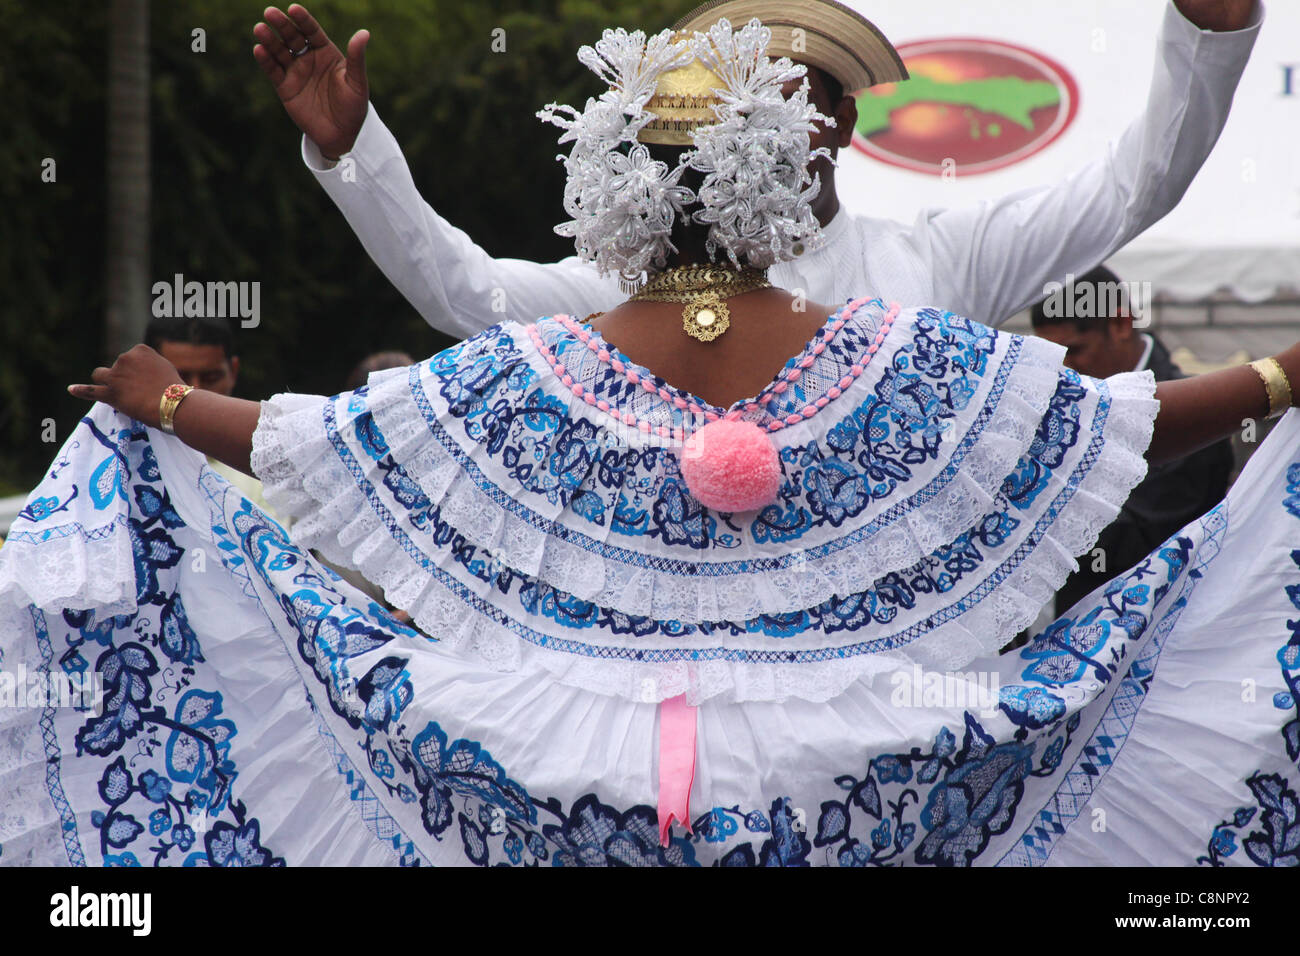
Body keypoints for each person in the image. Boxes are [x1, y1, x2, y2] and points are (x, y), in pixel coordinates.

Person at [2, 18, 1298, 868]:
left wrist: (166, 404)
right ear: (777, 161)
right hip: (863, 766)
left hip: (589, 772)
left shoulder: (592, 347)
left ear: (618, 182)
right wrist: (1279, 374)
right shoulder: (877, 351)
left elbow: (337, 437)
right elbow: (1120, 421)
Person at [252, 0, 1260, 335]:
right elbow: (460, 293)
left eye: (788, 102)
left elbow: (1133, 188)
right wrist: (351, 150)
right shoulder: (629, 284)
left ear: (843, 122)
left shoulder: (941, 260)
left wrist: (1207, 39)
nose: (763, 129)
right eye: (741, 107)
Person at [1030, 266, 1235, 615]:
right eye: (1050, 359)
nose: (1062, 372)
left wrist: (1025, 503)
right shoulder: (1067, 400)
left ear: (1121, 325)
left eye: (1073, 351)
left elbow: (1138, 539)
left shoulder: (1195, 414)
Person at [144, 314, 283, 527]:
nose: (194, 393)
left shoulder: (265, 463)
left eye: (210, 378)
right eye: (179, 380)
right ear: (147, 375)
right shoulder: (117, 456)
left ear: (233, 371)